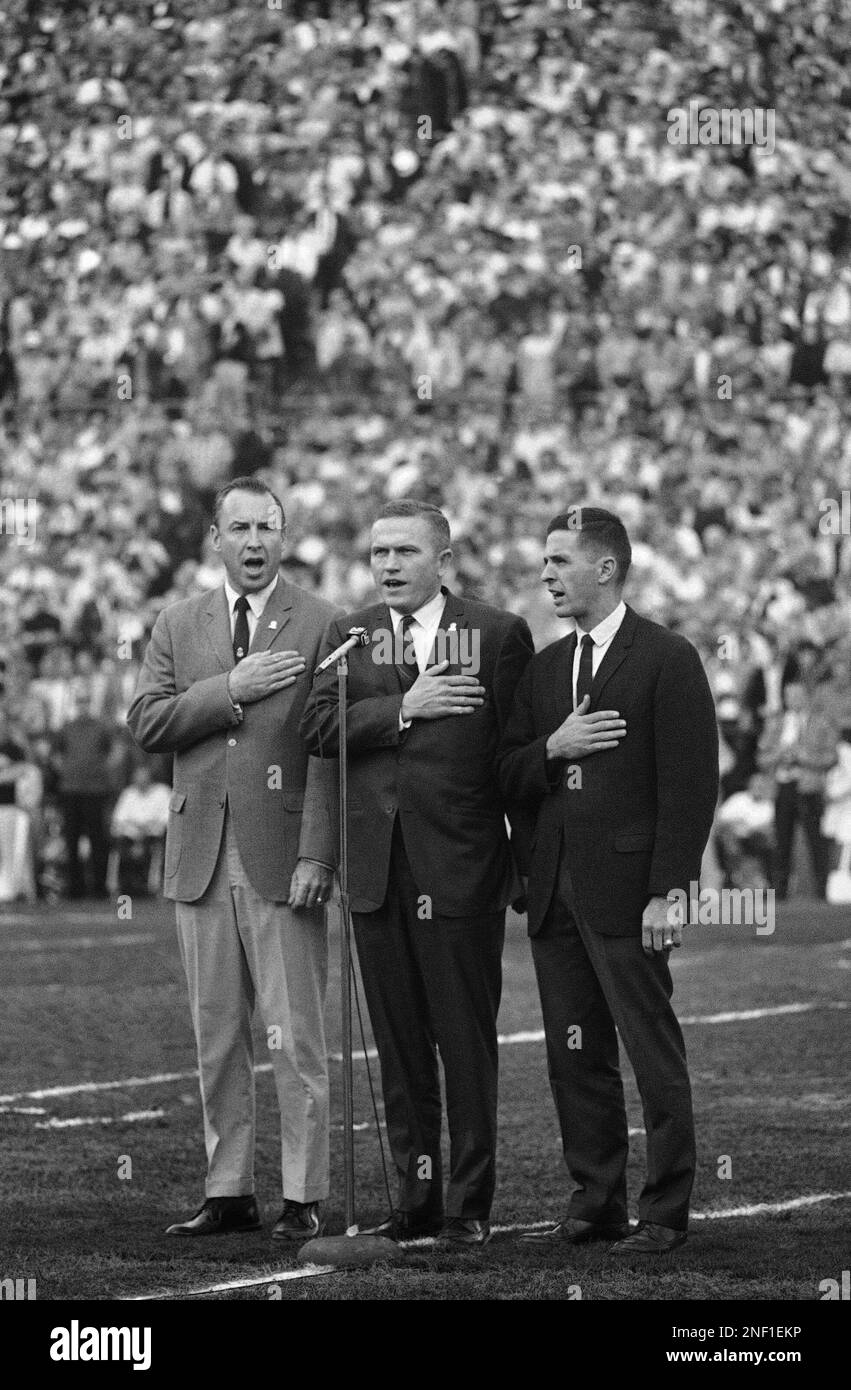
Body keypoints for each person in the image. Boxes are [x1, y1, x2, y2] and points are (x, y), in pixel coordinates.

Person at [300, 499, 534, 1247]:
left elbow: (514, 757)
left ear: (443, 559)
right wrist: (404, 706)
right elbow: (315, 728)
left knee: (463, 1042)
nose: (389, 565)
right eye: (378, 554)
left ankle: (467, 1206)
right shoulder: (349, 635)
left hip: (460, 867)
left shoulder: (496, 634)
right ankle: (417, 1195)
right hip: (374, 870)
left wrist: (526, 869)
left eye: (404, 551)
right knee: (398, 1047)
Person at [498, 507, 718, 1255]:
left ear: (605, 568)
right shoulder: (544, 667)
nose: (546, 575)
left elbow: (690, 785)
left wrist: (669, 888)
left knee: (650, 1048)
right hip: (553, 891)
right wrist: (553, 749)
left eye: (560, 561)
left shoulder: (667, 656)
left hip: (630, 893)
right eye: (544, 562)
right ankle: (595, 1200)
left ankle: (663, 1211)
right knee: (573, 1054)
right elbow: (507, 774)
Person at [127, 477, 341, 1243]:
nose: (254, 542)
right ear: (214, 538)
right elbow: (147, 722)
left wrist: (320, 849)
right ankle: (228, 1191)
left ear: (284, 537)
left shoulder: (321, 622)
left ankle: (304, 1190)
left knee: (295, 1033)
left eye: (267, 528)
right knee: (216, 1034)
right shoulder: (177, 623)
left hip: (284, 856)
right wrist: (231, 690)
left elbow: (328, 754)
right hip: (199, 857)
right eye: (240, 528)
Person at [758, 681, 838, 900]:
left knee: (816, 841)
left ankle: (822, 891)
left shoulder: (820, 722)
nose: (791, 700)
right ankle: (780, 892)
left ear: (805, 697)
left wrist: (804, 757)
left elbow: (832, 756)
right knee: (782, 841)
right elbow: (762, 758)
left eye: (796, 696)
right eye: (788, 696)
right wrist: (781, 755)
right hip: (783, 786)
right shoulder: (776, 723)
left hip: (808, 788)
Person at [53, 679, 116, 899]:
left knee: (98, 840)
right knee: (71, 840)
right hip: (71, 790)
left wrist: (98, 773)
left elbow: (111, 754)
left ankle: (99, 886)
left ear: (90, 702)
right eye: (79, 701)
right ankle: (75, 887)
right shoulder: (66, 728)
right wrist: (68, 773)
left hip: (95, 790)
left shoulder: (101, 727)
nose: (82, 705)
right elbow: (57, 756)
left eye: (85, 701)